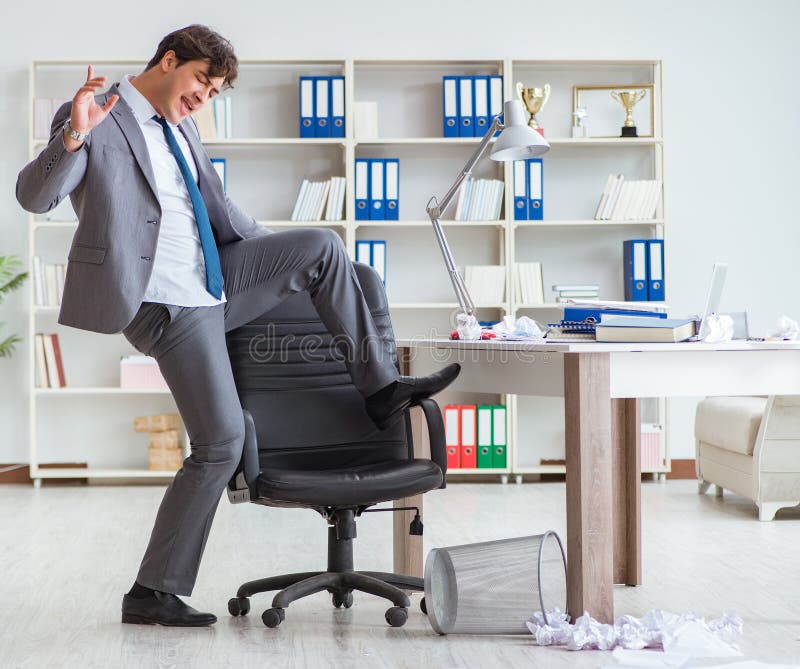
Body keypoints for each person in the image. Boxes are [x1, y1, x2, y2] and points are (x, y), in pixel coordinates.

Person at [16, 24, 459, 627]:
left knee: (324, 250)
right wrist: (74, 133)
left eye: (217, 89)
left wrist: (281, 260)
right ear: (169, 61)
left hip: (215, 281)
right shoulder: (99, 116)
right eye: (202, 78)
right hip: (167, 302)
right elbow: (34, 197)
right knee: (221, 443)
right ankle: (151, 593)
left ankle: (380, 389)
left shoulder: (185, 125)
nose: (205, 96)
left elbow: (219, 210)